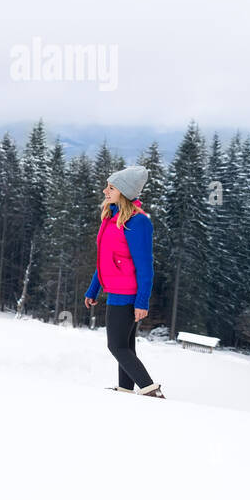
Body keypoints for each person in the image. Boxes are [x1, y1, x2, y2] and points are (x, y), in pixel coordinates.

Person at [84, 166, 164, 398]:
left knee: (116, 346)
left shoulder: (138, 223)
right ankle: (126, 389)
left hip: (127, 295)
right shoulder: (111, 217)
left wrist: (142, 302)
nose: (105, 190)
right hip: (115, 292)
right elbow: (104, 261)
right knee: (125, 347)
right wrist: (93, 289)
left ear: (125, 191)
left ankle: (150, 390)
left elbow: (145, 267)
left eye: (111, 187)